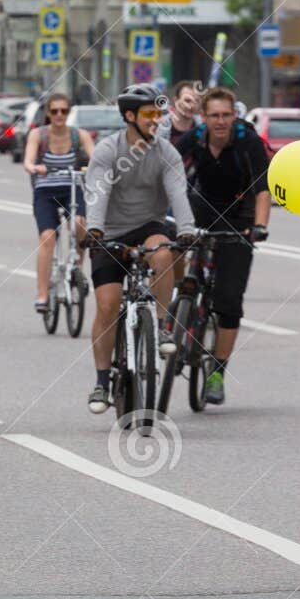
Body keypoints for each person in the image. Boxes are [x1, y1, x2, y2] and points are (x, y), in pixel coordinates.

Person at [83, 83, 197, 413]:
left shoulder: (166, 152)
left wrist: (187, 230)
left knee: (163, 253)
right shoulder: (108, 150)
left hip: (149, 226)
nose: (156, 120)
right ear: (129, 116)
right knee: (107, 306)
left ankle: (160, 328)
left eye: (159, 114)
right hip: (110, 231)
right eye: (149, 114)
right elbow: (97, 192)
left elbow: (178, 192)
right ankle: (102, 381)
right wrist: (94, 229)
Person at [173, 87, 271, 404]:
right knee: (171, 253)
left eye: (226, 115)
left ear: (234, 115)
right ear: (203, 117)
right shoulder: (194, 139)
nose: (220, 121)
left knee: (229, 300)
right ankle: (175, 319)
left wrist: (259, 227)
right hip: (199, 207)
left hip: (238, 216)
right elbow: (169, 176)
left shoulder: (247, 141)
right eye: (214, 115)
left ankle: (216, 372)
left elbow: (262, 190)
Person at [21, 92, 96, 313]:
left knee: (80, 224)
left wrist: (93, 168)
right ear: (48, 113)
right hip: (45, 192)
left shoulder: (78, 135)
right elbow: (28, 159)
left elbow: (96, 157)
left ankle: (77, 271)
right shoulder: (38, 134)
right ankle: (42, 294)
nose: (59, 115)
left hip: (72, 189)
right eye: (55, 111)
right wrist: (35, 168)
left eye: (64, 110)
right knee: (47, 237)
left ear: (69, 112)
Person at [154, 82, 200, 147]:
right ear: (176, 100)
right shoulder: (160, 127)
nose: (192, 106)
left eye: (196, 101)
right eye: (187, 101)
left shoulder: (203, 125)